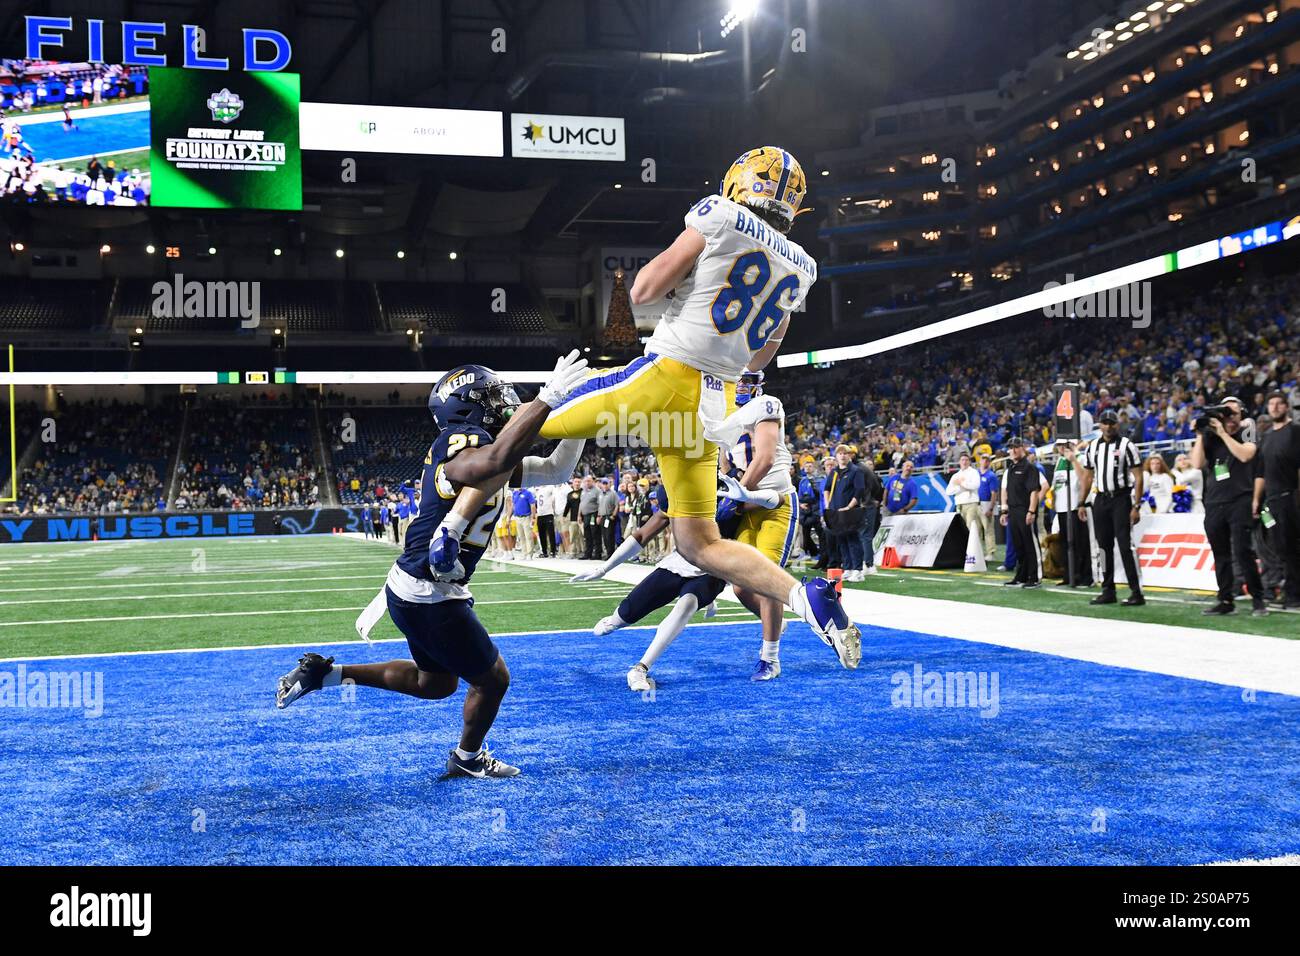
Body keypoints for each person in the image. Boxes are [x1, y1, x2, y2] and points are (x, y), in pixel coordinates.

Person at [433, 146, 859, 668]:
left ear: (740, 182)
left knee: (519, 427)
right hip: (714, 402)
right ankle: (802, 597)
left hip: (665, 377)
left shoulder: (720, 216)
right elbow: (765, 349)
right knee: (700, 542)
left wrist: (689, 285)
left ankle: (448, 531)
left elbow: (644, 288)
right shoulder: (802, 264)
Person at [274, 353, 589, 779]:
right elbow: (492, 463)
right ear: (466, 404)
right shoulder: (463, 440)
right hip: (429, 589)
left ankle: (326, 675)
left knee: (434, 684)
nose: (504, 400)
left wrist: (582, 421)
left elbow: (556, 468)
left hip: (417, 586)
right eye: (493, 395)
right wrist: (547, 399)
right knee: (493, 679)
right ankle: (467, 758)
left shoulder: (486, 447)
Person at [717, 369, 801, 679]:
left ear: (758, 384)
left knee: (767, 584)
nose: (740, 386)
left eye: (747, 380)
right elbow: (727, 467)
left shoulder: (766, 404)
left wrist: (735, 498)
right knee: (740, 587)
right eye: (737, 380)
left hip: (775, 502)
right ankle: (776, 622)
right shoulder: (726, 417)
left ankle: (770, 658)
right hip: (747, 508)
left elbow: (764, 459)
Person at [1191, 397, 1266, 617]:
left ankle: (1258, 599)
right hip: (1214, 501)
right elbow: (1197, 464)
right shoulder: (1211, 436)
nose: (1229, 417)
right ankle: (1225, 599)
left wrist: (1224, 433)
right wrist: (1199, 433)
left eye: (1233, 412)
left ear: (1241, 413)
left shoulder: (1247, 430)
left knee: (1243, 551)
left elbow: (1246, 455)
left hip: (1239, 499)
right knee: (1220, 554)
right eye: (1225, 413)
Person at [1073, 410, 1145, 606]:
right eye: (1105, 423)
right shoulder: (1093, 447)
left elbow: (1138, 476)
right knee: (1103, 547)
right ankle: (1108, 589)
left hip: (1121, 499)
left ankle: (1136, 591)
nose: (1108, 426)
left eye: (1112, 423)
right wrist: (1082, 502)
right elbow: (1087, 476)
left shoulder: (1126, 445)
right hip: (1101, 500)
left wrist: (1136, 505)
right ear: (1100, 425)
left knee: (1124, 546)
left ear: (1117, 425)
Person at [1253, 390, 1300, 610]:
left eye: (1279, 403)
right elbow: (1260, 473)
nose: (1274, 407)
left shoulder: (1296, 432)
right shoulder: (1267, 437)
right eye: (1271, 403)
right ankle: (1284, 588)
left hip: (1291, 497)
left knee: (1292, 546)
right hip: (1269, 503)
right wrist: (1256, 500)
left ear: (1286, 407)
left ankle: (1294, 595)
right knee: (1277, 546)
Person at [1000, 438, 1043, 589]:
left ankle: (1035, 577)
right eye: (1010, 448)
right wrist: (1004, 511)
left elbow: (1034, 491)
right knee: (1019, 545)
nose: (1013, 450)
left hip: (1025, 511)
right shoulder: (1011, 468)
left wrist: (1031, 511)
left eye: (1016, 447)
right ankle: (1021, 576)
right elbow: (1007, 491)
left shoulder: (1029, 468)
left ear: (1022, 448)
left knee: (1030, 545)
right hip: (1013, 511)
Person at [824, 444, 866, 581]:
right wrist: (827, 505)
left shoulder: (855, 471)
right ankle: (847, 568)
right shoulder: (834, 472)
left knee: (853, 539)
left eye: (845, 453)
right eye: (840, 453)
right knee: (841, 539)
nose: (842, 455)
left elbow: (859, 491)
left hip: (850, 511)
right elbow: (827, 488)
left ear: (849, 455)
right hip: (836, 511)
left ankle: (858, 570)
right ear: (836, 456)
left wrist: (849, 506)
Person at [946, 452, 982, 549]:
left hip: (971, 504)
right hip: (959, 505)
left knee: (972, 528)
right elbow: (948, 491)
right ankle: (964, 552)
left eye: (966, 460)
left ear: (969, 461)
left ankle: (974, 552)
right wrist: (961, 487)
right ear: (959, 462)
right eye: (962, 460)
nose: (964, 462)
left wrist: (961, 484)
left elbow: (975, 485)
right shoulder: (956, 475)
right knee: (961, 530)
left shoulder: (974, 472)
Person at [977, 453, 1000, 561]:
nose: (984, 462)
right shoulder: (976, 474)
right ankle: (978, 551)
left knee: (988, 529)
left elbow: (994, 493)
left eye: (987, 460)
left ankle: (990, 552)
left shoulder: (991, 476)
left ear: (989, 462)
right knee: (976, 530)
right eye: (983, 459)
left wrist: (990, 508)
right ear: (980, 461)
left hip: (987, 503)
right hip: (977, 503)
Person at [534, 481, 556, 558]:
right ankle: (544, 552)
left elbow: (554, 497)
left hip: (548, 513)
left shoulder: (550, 487)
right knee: (541, 534)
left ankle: (553, 551)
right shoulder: (538, 489)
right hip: (540, 514)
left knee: (551, 534)